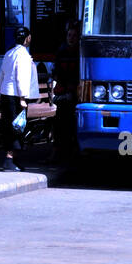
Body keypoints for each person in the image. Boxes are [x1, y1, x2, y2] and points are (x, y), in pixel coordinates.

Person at [0, 26, 36, 172]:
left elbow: (2, 74)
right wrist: (23, 98)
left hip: (6, 94)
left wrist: (0, 90)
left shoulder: (9, 53)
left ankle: (14, 160)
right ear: (27, 38)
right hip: (16, 96)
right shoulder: (23, 55)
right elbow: (21, 78)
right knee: (17, 128)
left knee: (8, 126)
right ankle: (9, 159)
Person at [51, 20, 82, 162]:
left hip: (75, 94)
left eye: (74, 35)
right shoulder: (61, 51)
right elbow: (57, 72)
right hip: (63, 93)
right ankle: (58, 151)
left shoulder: (80, 53)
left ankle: (72, 151)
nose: (71, 38)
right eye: (69, 35)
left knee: (72, 124)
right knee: (59, 123)